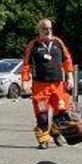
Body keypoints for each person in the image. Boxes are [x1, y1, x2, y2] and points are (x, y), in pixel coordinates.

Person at [21, 19, 75, 149]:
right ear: (39, 30)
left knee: (62, 113)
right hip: (40, 86)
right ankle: (43, 139)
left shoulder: (58, 42)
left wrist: (70, 77)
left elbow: (67, 60)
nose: (48, 31)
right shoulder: (33, 45)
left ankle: (55, 132)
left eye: (50, 28)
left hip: (58, 86)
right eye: (45, 28)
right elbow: (26, 64)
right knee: (42, 115)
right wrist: (25, 81)